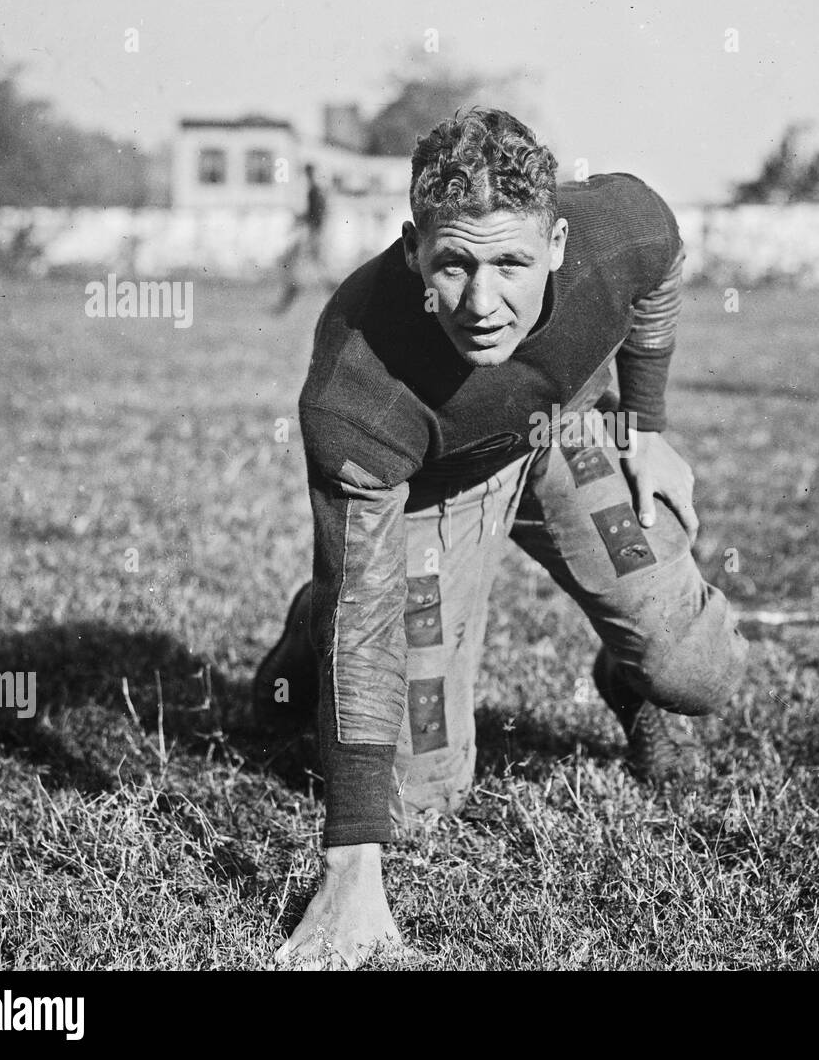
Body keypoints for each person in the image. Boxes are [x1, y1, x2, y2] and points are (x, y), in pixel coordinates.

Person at [253, 107, 749, 966]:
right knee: (416, 802)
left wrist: (645, 424)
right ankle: (315, 620)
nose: (484, 304)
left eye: (512, 262)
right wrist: (351, 868)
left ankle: (625, 672)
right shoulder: (356, 382)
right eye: (454, 264)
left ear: (557, 242)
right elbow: (372, 618)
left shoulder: (618, 230)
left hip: (563, 434)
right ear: (414, 250)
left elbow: (659, 267)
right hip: (434, 498)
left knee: (699, 671)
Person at [272, 163, 329, 315]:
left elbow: (315, 215)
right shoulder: (316, 191)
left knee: (298, 272)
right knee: (308, 271)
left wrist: (301, 221)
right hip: (313, 234)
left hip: (312, 235)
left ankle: (284, 306)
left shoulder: (314, 192)